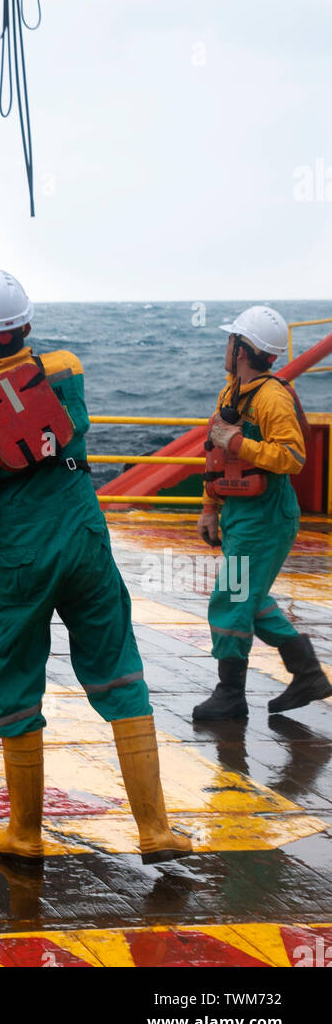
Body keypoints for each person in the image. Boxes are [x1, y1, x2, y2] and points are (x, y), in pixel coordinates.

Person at [0, 268, 191, 864]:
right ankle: (155, 829)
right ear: (26, 326)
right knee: (119, 670)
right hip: (85, 541)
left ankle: (24, 834)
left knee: (16, 681)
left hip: (22, 561)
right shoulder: (68, 371)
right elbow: (28, 396)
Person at [193, 305, 332, 720]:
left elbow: (292, 458)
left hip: (267, 518)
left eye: (230, 339)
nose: (226, 345)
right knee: (249, 599)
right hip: (238, 512)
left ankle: (230, 694)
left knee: (231, 596)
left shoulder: (272, 397)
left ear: (241, 348)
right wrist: (209, 509)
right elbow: (216, 455)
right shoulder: (231, 392)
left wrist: (238, 442)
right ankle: (306, 673)